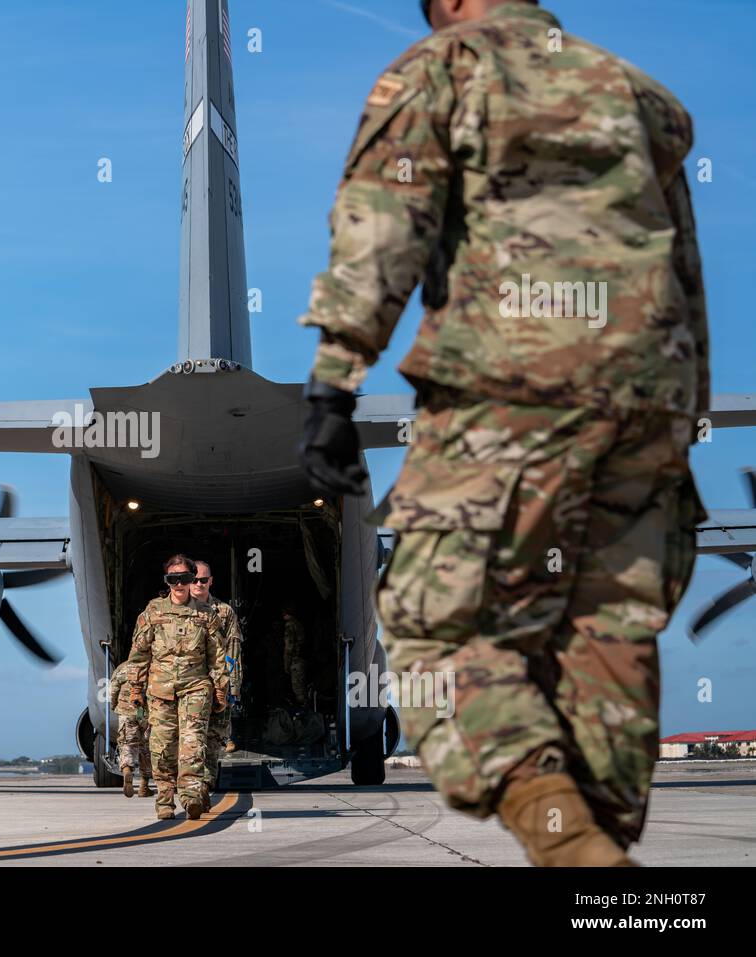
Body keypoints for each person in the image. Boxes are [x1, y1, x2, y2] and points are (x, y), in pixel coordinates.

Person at [297, 0, 707, 866]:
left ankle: (580, 860)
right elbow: (684, 272)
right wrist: (678, 429)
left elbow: (385, 218)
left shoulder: (444, 65)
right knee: (607, 633)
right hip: (649, 394)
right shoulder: (636, 90)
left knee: (428, 629)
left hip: (514, 378)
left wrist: (336, 382)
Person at [123, 555, 227, 820]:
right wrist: (135, 689)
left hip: (195, 688)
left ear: (193, 580)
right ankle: (165, 800)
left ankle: (191, 797)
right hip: (160, 691)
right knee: (163, 747)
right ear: (167, 581)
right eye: (173, 579)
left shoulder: (207, 616)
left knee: (192, 744)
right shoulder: (153, 613)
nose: (179, 584)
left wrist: (220, 690)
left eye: (185, 578)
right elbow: (138, 655)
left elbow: (217, 658)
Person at [189, 561, 242, 782]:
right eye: (194, 580)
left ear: (210, 581)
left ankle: (207, 780)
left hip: (217, 681)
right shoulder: (175, 609)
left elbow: (233, 648)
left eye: (203, 580)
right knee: (189, 733)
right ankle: (188, 781)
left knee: (215, 734)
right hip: (188, 681)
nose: (199, 584)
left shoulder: (224, 612)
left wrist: (234, 684)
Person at [107, 660, 152, 798]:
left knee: (127, 743)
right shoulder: (152, 665)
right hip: (147, 713)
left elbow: (113, 688)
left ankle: (127, 769)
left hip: (126, 712)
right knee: (146, 747)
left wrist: (114, 705)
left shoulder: (123, 668)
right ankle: (144, 785)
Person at [281, 604, 308, 710]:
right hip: (301, 659)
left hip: (296, 660)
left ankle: (304, 713)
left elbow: (289, 647)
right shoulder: (298, 624)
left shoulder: (290, 625)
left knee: (298, 689)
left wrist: (286, 664)